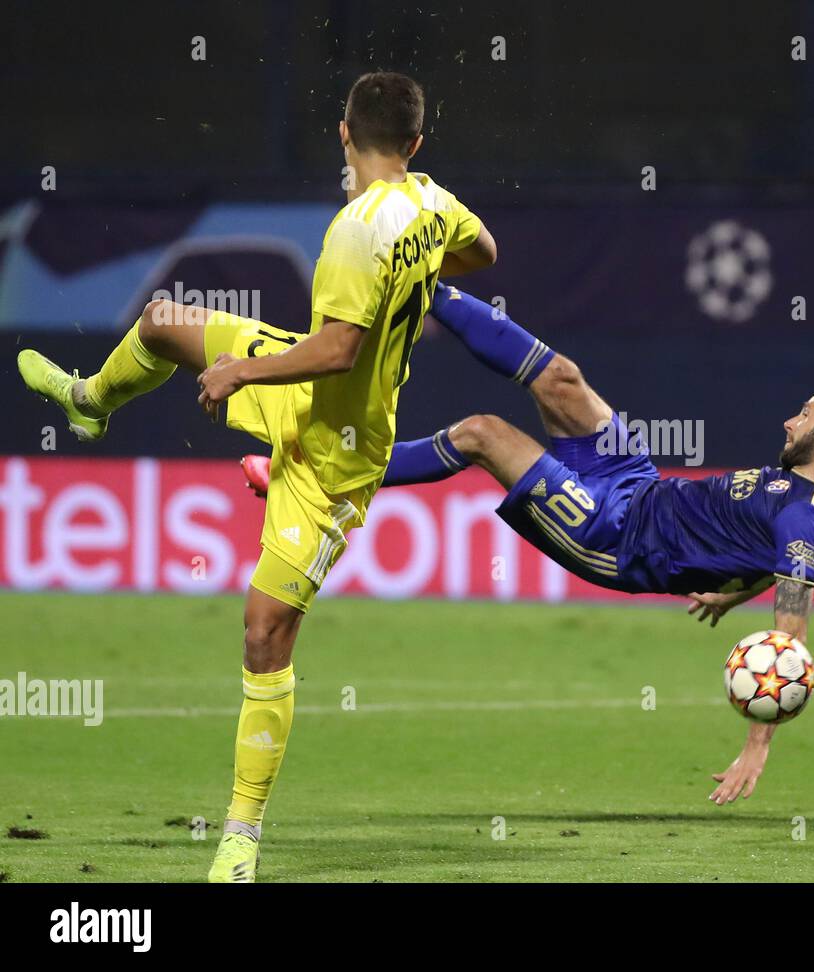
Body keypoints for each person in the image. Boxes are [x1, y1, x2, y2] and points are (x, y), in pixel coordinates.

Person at [16, 71, 498, 880]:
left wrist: (240, 371)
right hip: (302, 392)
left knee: (264, 632)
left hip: (336, 461)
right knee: (163, 323)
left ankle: (240, 835)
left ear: (343, 133)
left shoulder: (356, 232)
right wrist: (418, 273)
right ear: (415, 143)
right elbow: (484, 252)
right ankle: (90, 401)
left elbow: (340, 349)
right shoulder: (431, 201)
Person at [243, 282, 814, 804]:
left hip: (614, 535)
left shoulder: (806, 517)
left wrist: (756, 745)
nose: (790, 420)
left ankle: (312, 476)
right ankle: (422, 289)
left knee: (481, 433)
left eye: (806, 414)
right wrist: (733, 591)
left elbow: (788, 644)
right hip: (636, 483)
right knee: (561, 377)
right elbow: (779, 561)